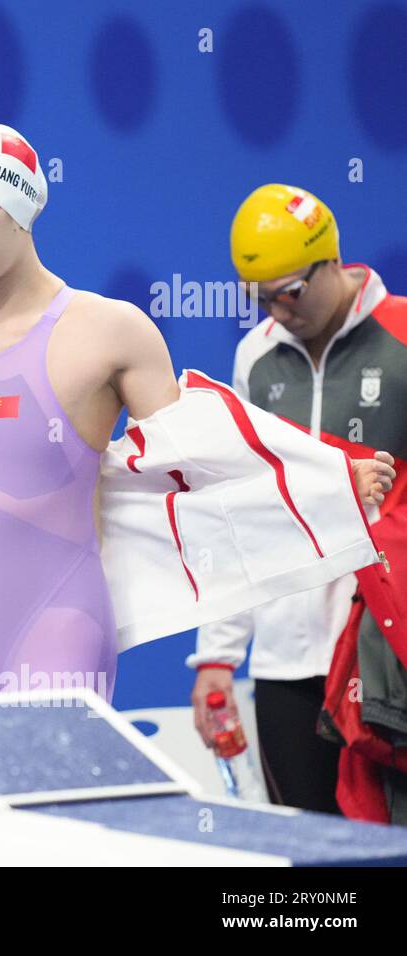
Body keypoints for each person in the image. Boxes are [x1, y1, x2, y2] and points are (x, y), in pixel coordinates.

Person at [0, 124, 395, 704]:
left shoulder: (108, 330)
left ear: (21, 211)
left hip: (59, 628)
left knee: (47, 811)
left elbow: (210, 447)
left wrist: (332, 478)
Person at [188, 184, 407, 815]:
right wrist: (217, 658)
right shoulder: (254, 357)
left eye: (288, 291)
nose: (277, 311)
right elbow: (239, 511)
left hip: (384, 658)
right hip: (284, 665)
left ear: (331, 261)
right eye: (259, 298)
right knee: (308, 873)